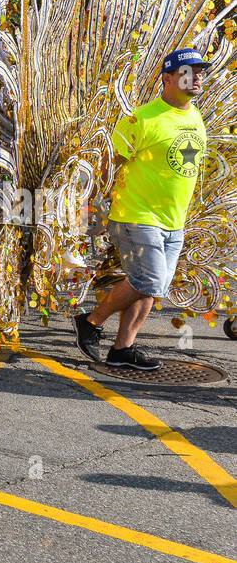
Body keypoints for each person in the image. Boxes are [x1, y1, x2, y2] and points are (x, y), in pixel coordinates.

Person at [74, 48, 209, 370]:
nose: (198, 77)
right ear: (167, 78)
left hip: (173, 221)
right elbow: (107, 166)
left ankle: (123, 349)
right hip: (136, 215)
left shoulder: (195, 116)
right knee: (149, 281)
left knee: (150, 287)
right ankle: (90, 323)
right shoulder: (140, 119)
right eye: (189, 72)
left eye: (201, 71)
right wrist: (86, 205)